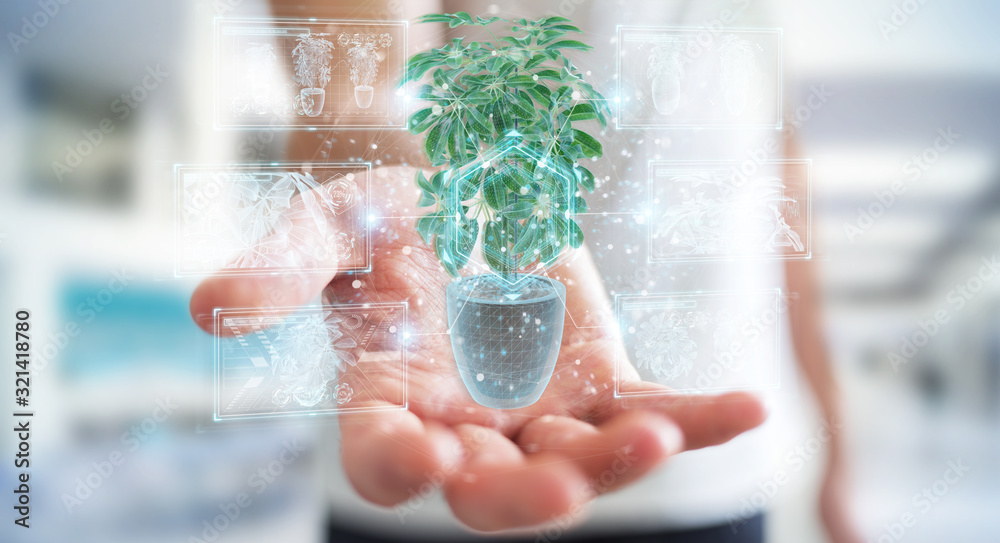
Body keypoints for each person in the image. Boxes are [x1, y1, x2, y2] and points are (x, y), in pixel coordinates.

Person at [190, 1, 861, 541]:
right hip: (432, 454)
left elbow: (785, 216)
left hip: (712, 474)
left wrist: (836, 433)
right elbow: (362, 51)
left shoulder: (758, 23)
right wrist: (364, 133)